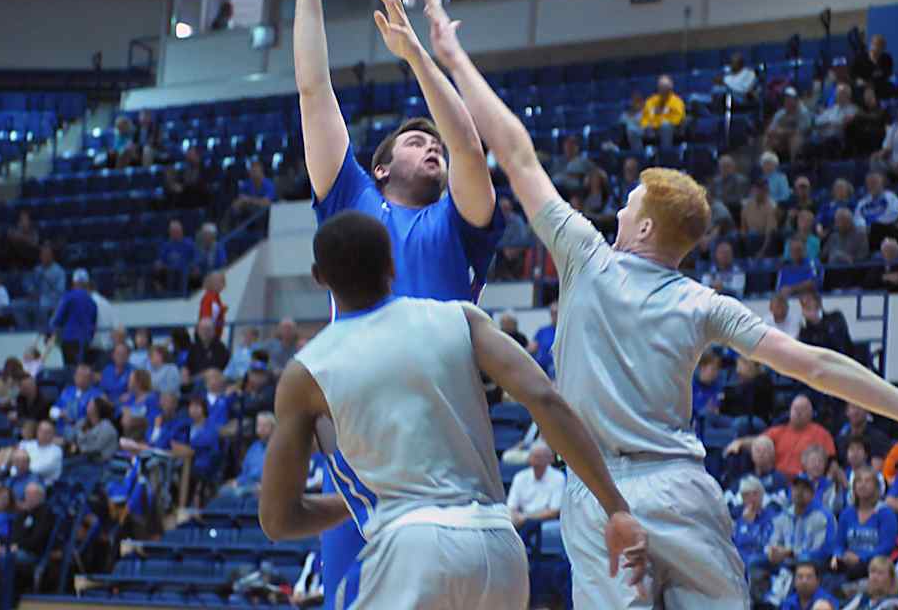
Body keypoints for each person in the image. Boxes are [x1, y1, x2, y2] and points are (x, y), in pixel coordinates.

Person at [423, 0, 898, 609]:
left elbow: (514, 150)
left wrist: (453, 56)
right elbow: (818, 365)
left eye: (627, 206)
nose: (617, 211)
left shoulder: (587, 258)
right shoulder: (705, 303)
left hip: (600, 494)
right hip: (679, 488)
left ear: (644, 228)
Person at [258, 208, 646, 608]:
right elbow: (545, 399)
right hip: (497, 546)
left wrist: (358, 501)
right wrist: (616, 508)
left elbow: (278, 518)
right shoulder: (458, 318)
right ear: (392, 263)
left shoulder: (306, 371)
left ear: (318, 277)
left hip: (411, 544)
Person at [727, 395, 836, 479]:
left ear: (811, 413)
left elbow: (832, 462)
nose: (798, 413)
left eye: (802, 409)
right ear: (790, 411)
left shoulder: (822, 434)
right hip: (778, 481)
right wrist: (740, 442)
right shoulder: (779, 431)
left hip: (804, 482)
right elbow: (759, 441)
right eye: (795, 409)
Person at [833, 467, 897, 580]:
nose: (863, 485)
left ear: (876, 487)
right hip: (848, 561)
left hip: (873, 563)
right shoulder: (846, 513)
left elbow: (887, 546)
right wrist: (839, 555)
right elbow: (839, 543)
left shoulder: (886, 513)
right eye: (859, 481)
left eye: (868, 481)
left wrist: (861, 558)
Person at [507, 441, 565, 535]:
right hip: (521, 519)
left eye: (541, 457)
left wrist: (526, 517)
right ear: (529, 458)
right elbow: (511, 506)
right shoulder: (520, 477)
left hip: (544, 521)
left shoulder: (558, 478)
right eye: (535, 457)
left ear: (550, 459)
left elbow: (554, 511)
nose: (537, 461)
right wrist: (515, 517)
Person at [10, 482, 55, 592]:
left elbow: (37, 540)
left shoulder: (46, 514)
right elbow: (14, 535)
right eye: (27, 494)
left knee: (9, 558)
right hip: (18, 549)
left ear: (41, 497)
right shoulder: (23, 514)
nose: (27, 497)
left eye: (32, 495)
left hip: (34, 554)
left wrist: (18, 545)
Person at [48, 268, 97, 366]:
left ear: (74, 282)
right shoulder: (92, 301)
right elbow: (93, 324)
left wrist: (49, 331)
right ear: (87, 283)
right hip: (85, 340)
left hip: (70, 340)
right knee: (82, 370)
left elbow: (57, 319)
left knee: (70, 371)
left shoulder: (68, 297)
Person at [221, 411, 273, 498]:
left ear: (273, 428)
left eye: (265, 425)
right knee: (224, 491)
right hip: (248, 484)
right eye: (259, 425)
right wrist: (237, 481)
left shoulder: (277, 449)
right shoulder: (254, 447)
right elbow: (245, 472)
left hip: (265, 486)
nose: (261, 428)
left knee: (241, 493)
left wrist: (262, 485)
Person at [733, 474, 778, 570]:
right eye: (746, 495)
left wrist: (750, 526)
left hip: (762, 563)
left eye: (755, 493)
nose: (751, 498)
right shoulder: (740, 520)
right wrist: (746, 523)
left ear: (762, 494)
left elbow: (763, 544)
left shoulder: (772, 517)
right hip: (740, 563)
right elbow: (738, 544)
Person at [641, 74, 686, 148]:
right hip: (652, 129)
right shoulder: (651, 101)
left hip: (672, 129)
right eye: (661, 88)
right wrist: (648, 125)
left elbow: (676, 120)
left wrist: (657, 121)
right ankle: (641, 155)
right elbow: (645, 118)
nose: (663, 91)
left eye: (665, 89)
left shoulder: (677, 102)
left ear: (670, 89)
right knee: (633, 129)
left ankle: (666, 154)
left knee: (665, 126)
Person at [72, 396, 119, 463]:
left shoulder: (107, 428)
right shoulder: (82, 422)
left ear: (96, 409)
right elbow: (73, 437)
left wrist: (76, 449)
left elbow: (96, 448)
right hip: (82, 459)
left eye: (90, 404)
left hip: (100, 464)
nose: (87, 405)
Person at [851, 34, 894, 100]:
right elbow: (853, 74)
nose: (878, 48)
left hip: (880, 87)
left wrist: (877, 78)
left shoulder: (887, 58)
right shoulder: (860, 58)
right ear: (871, 44)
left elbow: (888, 74)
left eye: (881, 46)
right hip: (863, 87)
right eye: (876, 45)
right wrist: (859, 80)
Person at [199, 271, 228, 340]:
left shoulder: (216, 297)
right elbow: (206, 318)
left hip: (215, 336)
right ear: (213, 283)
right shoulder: (208, 297)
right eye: (222, 282)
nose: (224, 285)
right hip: (208, 337)